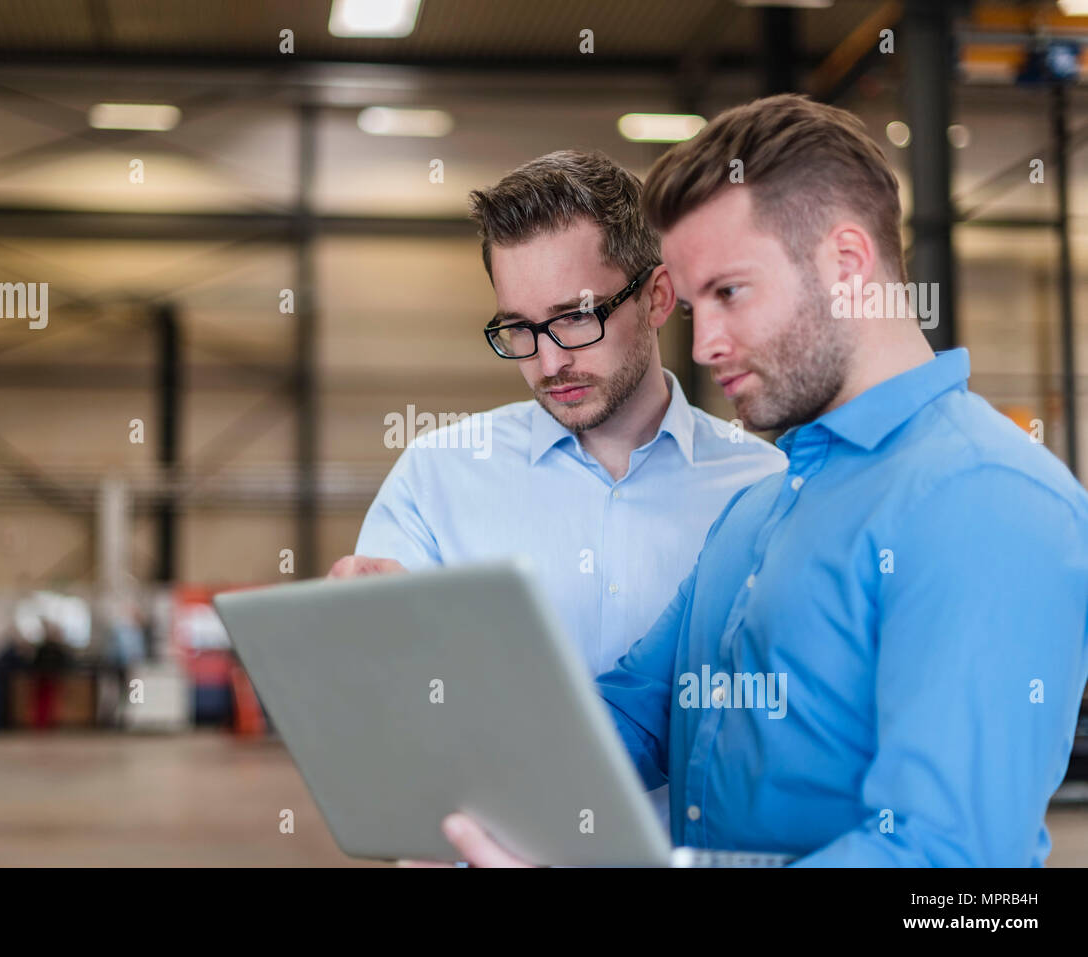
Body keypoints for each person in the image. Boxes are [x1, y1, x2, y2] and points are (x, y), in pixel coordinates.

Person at [439, 94, 1088, 867]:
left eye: (730, 293)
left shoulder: (986, 501)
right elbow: (640, 714)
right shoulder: (760, 506)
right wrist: (454, 760)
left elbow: (948, 869)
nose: (704, 344)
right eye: (692, 299)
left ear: (847, 264)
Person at [330, 149, 784, 686]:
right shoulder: (435, 480)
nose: (549, 363)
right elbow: (384, 696)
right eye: (519, 327)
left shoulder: (765, 488)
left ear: (658, 298)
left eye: (575, 317)